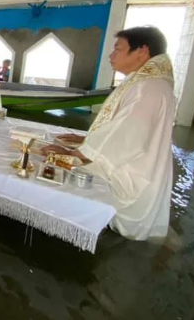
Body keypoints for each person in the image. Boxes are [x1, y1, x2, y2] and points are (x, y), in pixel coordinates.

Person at [42, 26, 175, 241]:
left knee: (52, 172)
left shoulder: (147, 88)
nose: (111, 55)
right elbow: (126, 129)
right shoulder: (153, 84)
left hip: (131, 179)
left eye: (118, 49)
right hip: (144, 170)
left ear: (142, 51)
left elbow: (127, 138)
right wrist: (86, 140)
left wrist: (72, 155)